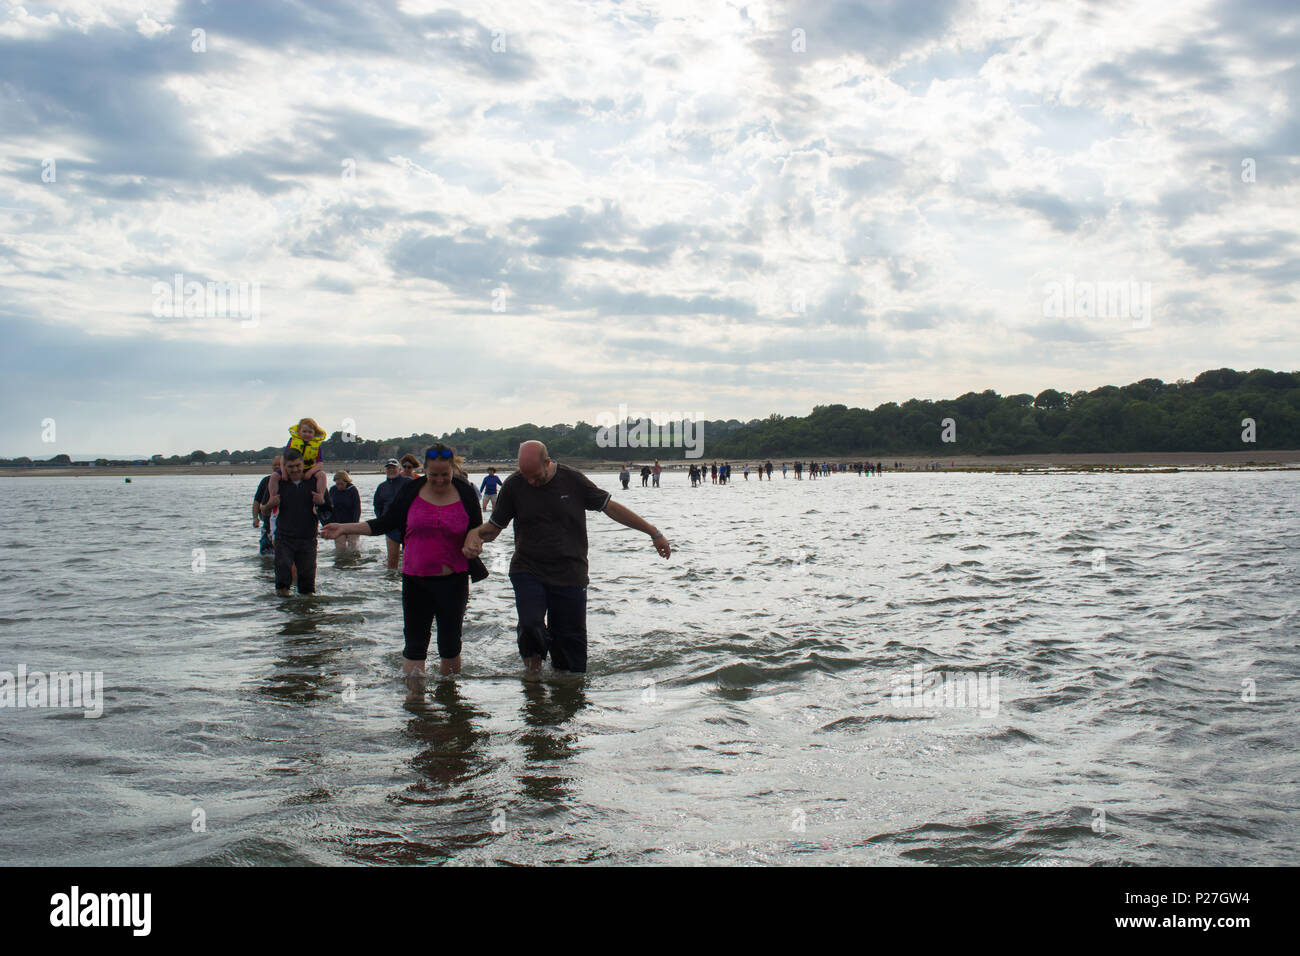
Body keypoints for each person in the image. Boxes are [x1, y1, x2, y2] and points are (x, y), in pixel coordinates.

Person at [463, 441, 671, 679]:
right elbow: (494, 528)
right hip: (527, 568)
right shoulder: (514, 485)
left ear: (548, 463)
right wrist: (474, 536)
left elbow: (610, 508)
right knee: (530, 624)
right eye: (526, 476)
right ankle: (533, 678)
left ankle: (567, 698)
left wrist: (653, 533)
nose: (531, 482)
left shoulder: (572, 479)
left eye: (536, 477)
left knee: (571, 661)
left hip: (570, 571)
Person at [324, 444, 488, 677]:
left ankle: (451, 698)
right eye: (433, 475)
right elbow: (385, 522)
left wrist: (475, 543)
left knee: (451, 644)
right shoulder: (411, 491)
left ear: (453, 469)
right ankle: (415, 701)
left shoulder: (466, 493)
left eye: (445, 475)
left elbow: (477, 529)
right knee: (415, 645)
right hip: (416, 581)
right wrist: (344, 527)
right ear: (425, 470)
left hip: (454, 580)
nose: (440, 480)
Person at [261, 449, 331, 596]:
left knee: (307, 585)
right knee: (283, 579)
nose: (295, 469)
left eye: (298, 465)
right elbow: (264, 512)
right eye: (290, 467)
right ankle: (283, 613)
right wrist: (269, 504)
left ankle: (305, 615)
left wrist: (321, 503)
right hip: (283, 538)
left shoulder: (314, 482)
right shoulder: (278, 483)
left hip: (308, 539)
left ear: (303, 463)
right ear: (284, 467)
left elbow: (328, 512)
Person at [267, 417, 329, 506]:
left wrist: (310, 472)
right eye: (304, 431)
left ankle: (320, 496)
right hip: (291, 468)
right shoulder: (293, 441)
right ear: (299, 431)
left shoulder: (317, 445)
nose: (307, 434)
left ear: (314, 433)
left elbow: (320, 463)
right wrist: (284, 472)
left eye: (310, 432)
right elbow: (284, 458)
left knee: (322, 475)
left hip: (308, 468)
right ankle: (273, 497)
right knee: (274, 476)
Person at [374, 458, 412, 570]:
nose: (391, 470)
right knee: (392, 560)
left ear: (399, 469)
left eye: (393, 468)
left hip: (408, 526)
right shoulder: (382, 487)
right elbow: (377, 505)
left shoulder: (408, 483)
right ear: (385, 470)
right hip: (390, 527)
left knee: (410, 559)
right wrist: (382, 520)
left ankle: (408, 581)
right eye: (388, 468)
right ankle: (390, 583)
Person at [253, 456, 282, 555]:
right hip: (267, 520)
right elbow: (257, 501)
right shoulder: (266, 481)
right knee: (265, 552)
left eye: (279, 464)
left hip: (282, 522)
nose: (277, 467)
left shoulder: (287, 481)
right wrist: (255, 518)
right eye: (275, 465)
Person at [328, 471, 362, 552]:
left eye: (341, 484)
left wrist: (355, 524)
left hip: (351, 522)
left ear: (346, 482)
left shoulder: (352, 490)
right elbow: (329, 507)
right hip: (338, 523)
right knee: (340, 549)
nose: (339, 486)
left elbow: (357, 508)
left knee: (353, 548)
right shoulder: (333, 490)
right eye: (337, 484)